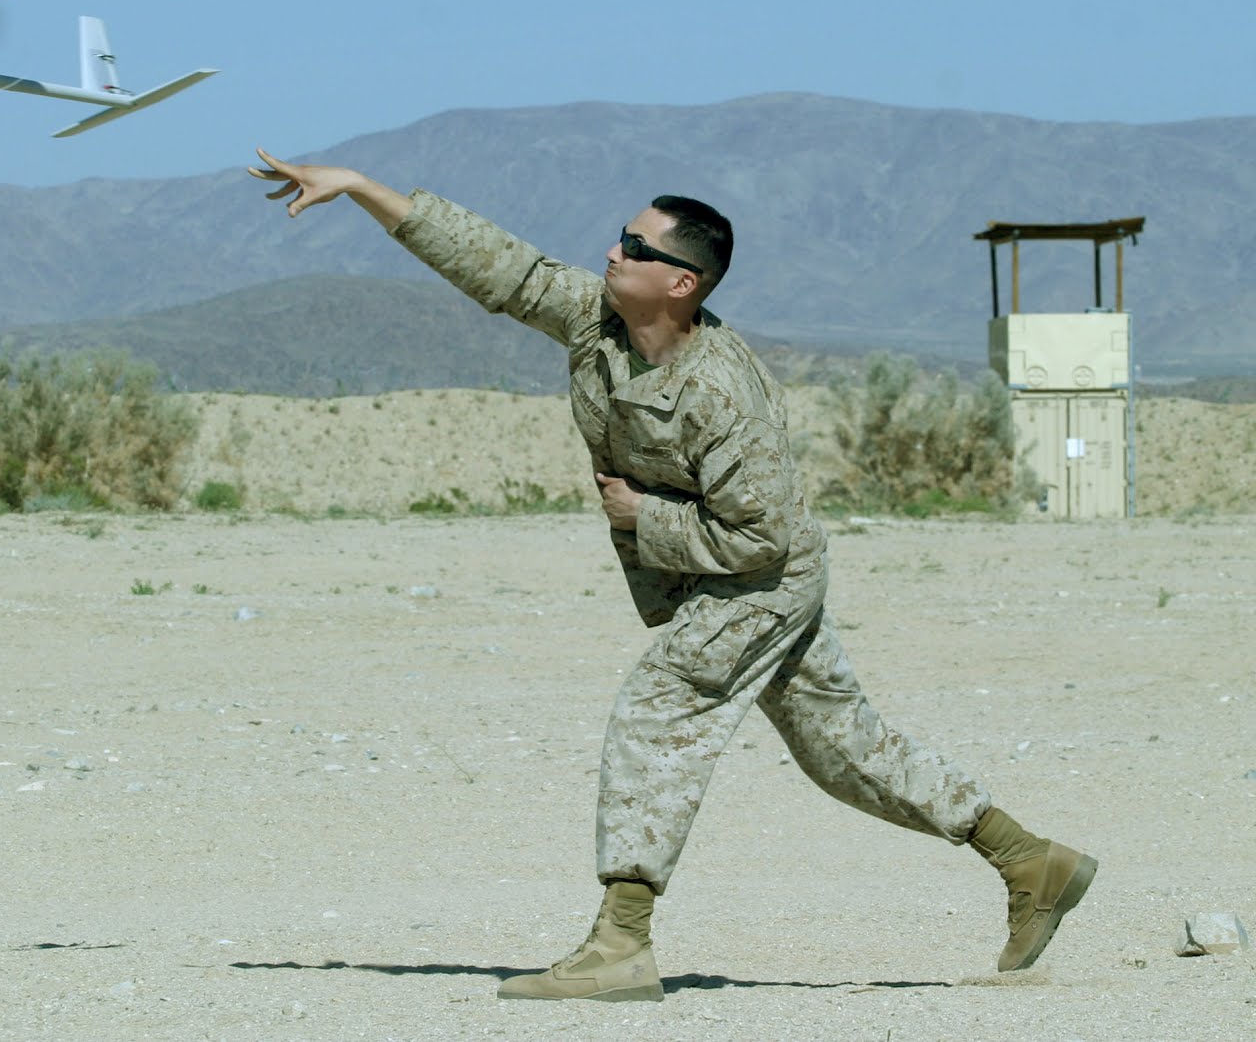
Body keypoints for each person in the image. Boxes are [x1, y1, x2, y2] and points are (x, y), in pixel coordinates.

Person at [247, 148, 1097, 1003]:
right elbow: (495, 265)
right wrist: (360, 188)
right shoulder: (596, 321)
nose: (614, 252)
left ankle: (621, 940)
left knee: (661, 701)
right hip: (711, 570)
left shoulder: (724, 394)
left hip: (761, 577)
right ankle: (1029, 859)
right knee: (845, 750)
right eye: (620, 238)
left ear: (683, 283)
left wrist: (642, 518)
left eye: (636, 245)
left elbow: (761, 537)